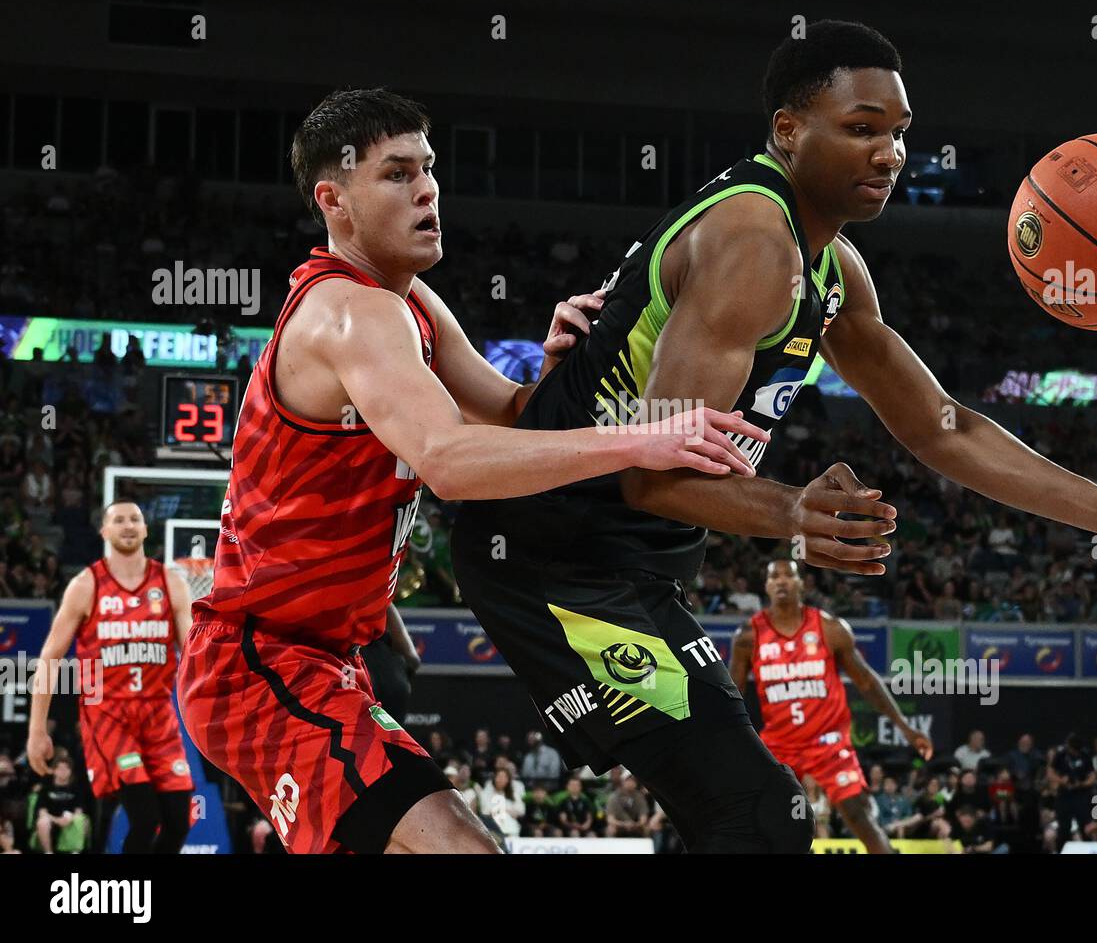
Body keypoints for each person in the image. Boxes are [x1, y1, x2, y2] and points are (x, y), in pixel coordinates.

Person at [450, 19, 1097, 854]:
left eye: (899, 132)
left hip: (629, 558)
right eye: (862, 128)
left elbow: (943, 428)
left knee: (738, 816)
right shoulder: (754, 245)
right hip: (553, 552)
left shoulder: (833, 266)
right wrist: (794, 511)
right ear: (789, 132)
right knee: (756, 814)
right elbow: (652, 477)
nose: (888, 153)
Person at [177, 89, 763, 856]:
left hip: (325, 660)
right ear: (334, 199)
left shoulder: (409, 299)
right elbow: (450, 462)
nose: (427, 189)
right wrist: (638, 440)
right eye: (396, 174)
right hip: (259, 661)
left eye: (429, 169)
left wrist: (557, 372)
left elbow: (511, 414)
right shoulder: (351, 313)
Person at [27, 500, 195, 853]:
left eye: (136, 518)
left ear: (146, 529)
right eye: (118, 520)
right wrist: (37, 730)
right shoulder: (85, 585)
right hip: (108, 718)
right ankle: (125, 896)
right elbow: (49, 657)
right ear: (104, 531)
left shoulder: (170, 583)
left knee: (179, 821)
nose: (128, 525)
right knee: (145, 818)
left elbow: (196, 658)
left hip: (158, 715)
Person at [731, 559, 931, 853]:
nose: (782, 581)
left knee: (857, 813)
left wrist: (905, 727)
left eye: (789, 575)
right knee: (765, 820)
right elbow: (732, 695)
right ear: (766, 586)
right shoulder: (748, 637)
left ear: (801, 584)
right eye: (775, 576)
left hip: (828, 742)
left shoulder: (830, 628)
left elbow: (866, 682)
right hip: (780, 745)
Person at [31, 756, 89, 854]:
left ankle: (75, 851)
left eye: (67, 768)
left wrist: (69, 819)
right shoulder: (46, 788)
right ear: (54, 770)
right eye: (60, 768)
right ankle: (48, 852)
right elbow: (42, 812)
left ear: (70, 771)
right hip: (51, 818)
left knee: (83, 820)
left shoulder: (77, 788)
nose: (63, 771)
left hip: (70, 818)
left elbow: (79, 810)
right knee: (42, 822)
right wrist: (57, 820)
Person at [1049, 734, 1096, 851]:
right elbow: (1050, 772)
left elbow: (1092, 776)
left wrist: (1082, 783)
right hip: (1064, 795)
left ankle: (1089, 851)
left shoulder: (1085, 755)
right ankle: (1061, 851)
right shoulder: (1061, 755)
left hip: (1081, 795)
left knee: (1085, 826)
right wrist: (1061, 780)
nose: (1074, 753)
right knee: (1063, 828)